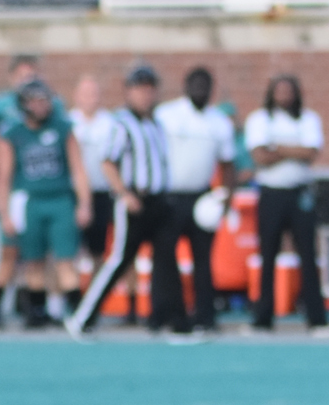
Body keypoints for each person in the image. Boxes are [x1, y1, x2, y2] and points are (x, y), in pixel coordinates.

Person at [70, 65, 190, 338]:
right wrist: (124, 193)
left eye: (150, 89)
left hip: (159, 201)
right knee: (120, 260)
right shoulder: (121, 123)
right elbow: (107, 162)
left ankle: (171, 319)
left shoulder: (156, 123)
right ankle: (83, 316)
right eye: (140, 89)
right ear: (129, 92)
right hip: (135, 200)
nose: (146, 95)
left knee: (167, 260)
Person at [0, 81, 92, 330]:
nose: (41, 106)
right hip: (29, 201)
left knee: (65, 259)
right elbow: (4, 176)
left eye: (44, 100)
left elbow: (78, 170)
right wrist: (4, 213)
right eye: (35, 101)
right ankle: (36, 312)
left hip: (59, 199)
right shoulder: (14, 133)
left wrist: (84, 204)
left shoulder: (62, 128)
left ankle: (78, 313)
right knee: (32, 260)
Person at [243, 74, 329, 333]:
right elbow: (260, 156)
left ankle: (316, 318)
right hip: (271, 193)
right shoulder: (260, 119)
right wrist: (294, 150)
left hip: (299, 194)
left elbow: (311, 153)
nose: (284, 95)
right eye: (279, 90)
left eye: (288, 90)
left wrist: (278, 148)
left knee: (308, 255)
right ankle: (263, 317)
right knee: (267, 254)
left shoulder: (308, 119)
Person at [155, 67, 236, 332]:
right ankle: (165, 315)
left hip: (202, 198)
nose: (200, 90)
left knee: (203, 259)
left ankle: (205, 316)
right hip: (170, 196)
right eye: (196, 85)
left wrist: (226, 197)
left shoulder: (219, 122)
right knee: (165, 257)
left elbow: (228, 164)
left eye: (205, 86)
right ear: (186, 86)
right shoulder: (166, 115)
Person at [68, 74, 117, 299]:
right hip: (73, 194)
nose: (90, 98)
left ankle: (94, 299)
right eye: (85, 93)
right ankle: (68, 299)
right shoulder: (69, 122)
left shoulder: (110, 123)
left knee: (99, 250)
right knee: (68, 251)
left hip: (101, 192)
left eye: (93, 93)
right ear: (76, 96)